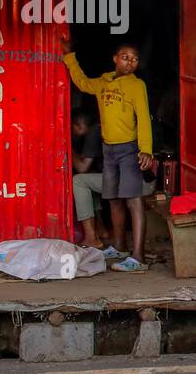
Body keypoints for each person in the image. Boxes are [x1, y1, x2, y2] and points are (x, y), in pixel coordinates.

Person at [60, 37, 153, 273]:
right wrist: (70, 58)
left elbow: (143, 118)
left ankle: (138, 257)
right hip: (108, 149)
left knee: (133, 200)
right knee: (113, 199)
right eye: (125, 57)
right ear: (115, 59)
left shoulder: (137, 85)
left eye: (134, 59)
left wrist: (146, 150)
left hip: (129, 149)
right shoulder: (104, 81)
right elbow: (82, 83)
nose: (130, 62)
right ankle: (120, 247)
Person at [70, 109, 107, 249]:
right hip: (115, 177)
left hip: (118, 180)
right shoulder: (96, 130)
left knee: (79, 180)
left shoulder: (93, 133)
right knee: (88, 178)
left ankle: (91, 238)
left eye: (72, 127)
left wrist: (68, 146)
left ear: (79, 125)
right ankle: (101, 229)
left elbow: (82, 167)